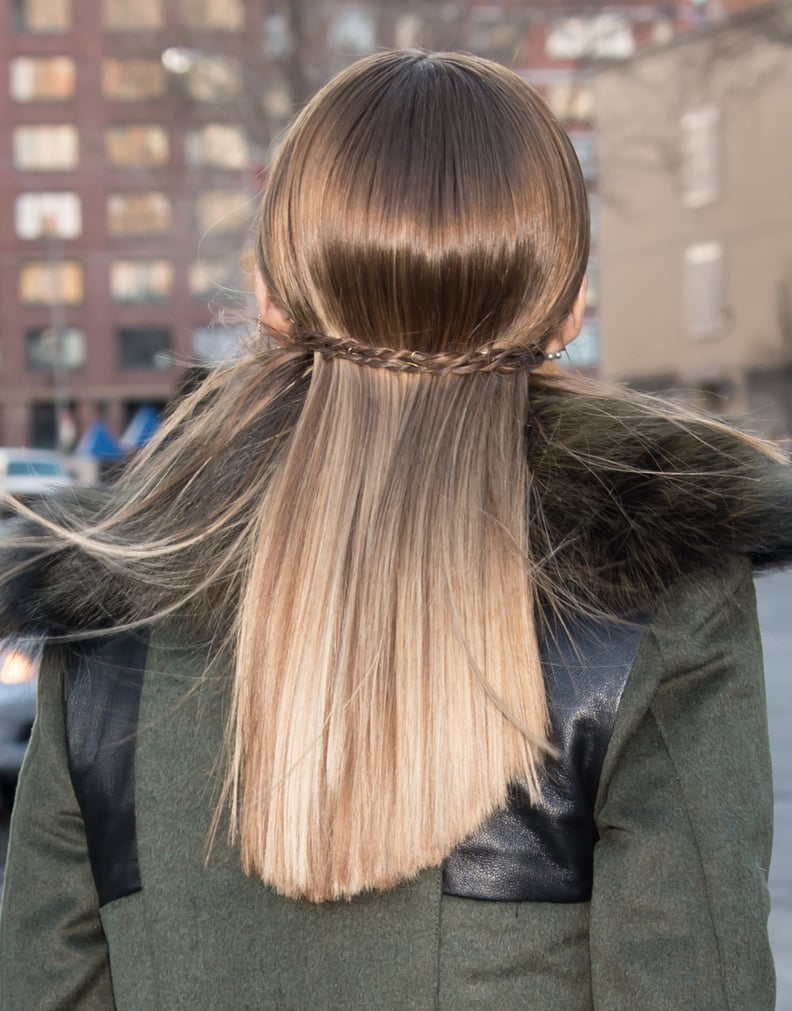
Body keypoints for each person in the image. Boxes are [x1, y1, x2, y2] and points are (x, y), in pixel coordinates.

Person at [0, 49, 790, 1010]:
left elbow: (48, 980)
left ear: (270, 299)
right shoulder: (655, 592)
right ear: (570, 305)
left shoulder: (117, 603)